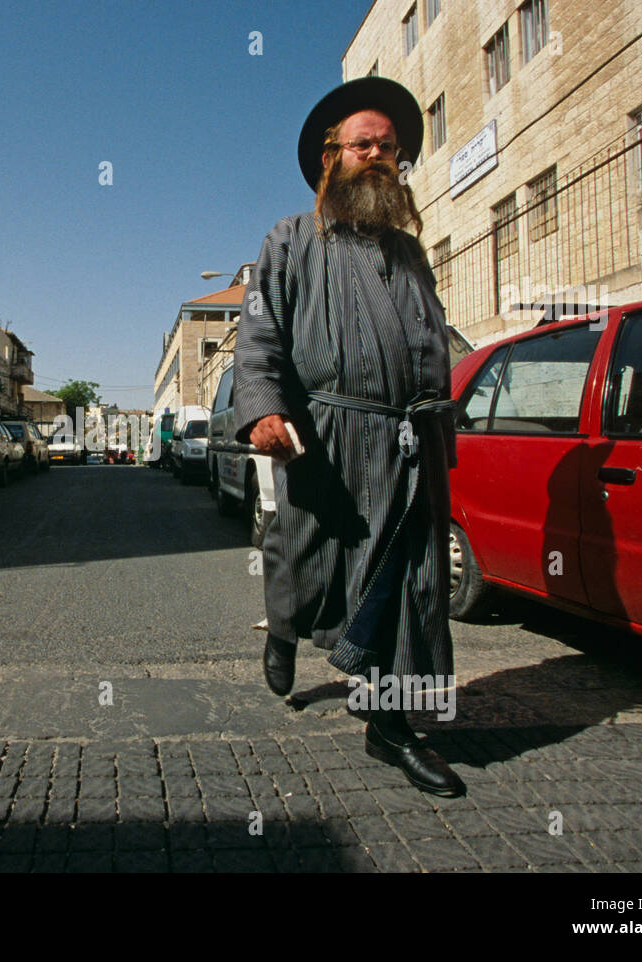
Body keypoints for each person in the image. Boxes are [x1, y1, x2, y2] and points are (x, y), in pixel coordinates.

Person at [233, 77, 465, 797]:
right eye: (363, 144)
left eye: (388, 147)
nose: (378, 156)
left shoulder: (412, 255)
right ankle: (283, 627)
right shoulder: (291, 238)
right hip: (323, 438)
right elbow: (261, 331)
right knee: (302, 558)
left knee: (406, 579)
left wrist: (442, 420)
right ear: (330, 156)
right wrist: (264, 408)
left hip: (404, 446)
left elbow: (429, 343)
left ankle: (389, 727)